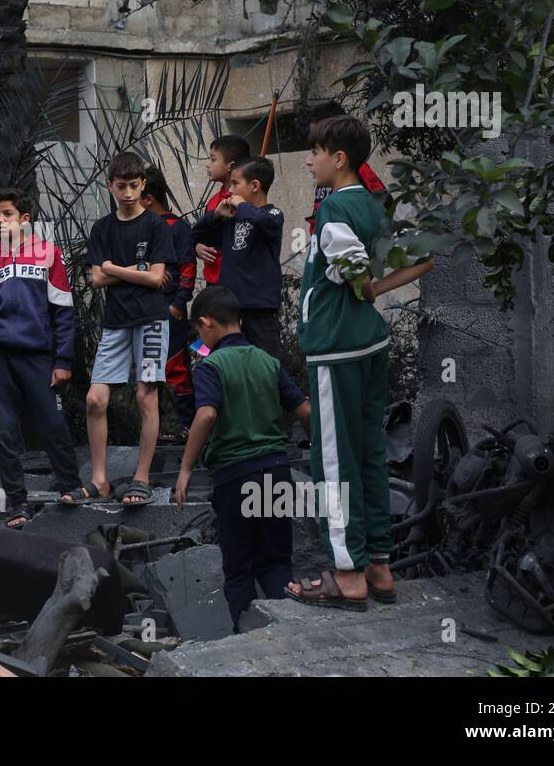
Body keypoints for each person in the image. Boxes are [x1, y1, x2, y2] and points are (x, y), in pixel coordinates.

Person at [286, 114, 432, 608]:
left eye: (315, 152)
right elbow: (423, 257)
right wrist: (374, 290)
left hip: (336, 349)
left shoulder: (332, 214)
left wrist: (368, 288)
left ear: (338, 158)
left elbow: (357, 278)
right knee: (369, 452)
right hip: (370, 344)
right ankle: (379, 567)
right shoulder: (374, 207)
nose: (308, 160)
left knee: (331, 461)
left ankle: (346, 575)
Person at [174, 286, 310, 631]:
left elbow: (205, 416)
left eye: (198, 331)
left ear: (205, 324)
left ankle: (248, 642)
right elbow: (305, 409)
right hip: (276, 472)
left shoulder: (210, 366)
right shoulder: (269, 362)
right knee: (277, 561)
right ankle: (289, 635)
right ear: (241, 320)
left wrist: (186, 468)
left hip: (236, 477)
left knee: (239, 571)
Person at [0, 188, 81, 529]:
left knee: (53, 423)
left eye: (7, 215)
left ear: (24, 219)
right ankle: (17, 502)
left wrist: (63, 361)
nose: (0, 221)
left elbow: (63, 313)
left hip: (39, 358)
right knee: (2, 432)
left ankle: (70, 486)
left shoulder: (49, 255)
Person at [64, 151, 175, 508]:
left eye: (134, 185)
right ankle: (100, 480)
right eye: (121, 186)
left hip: (151, 319)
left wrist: (117, 268)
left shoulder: (156, 225)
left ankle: (141, 478)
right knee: (96, 399)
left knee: (146, 396)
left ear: (143, 185)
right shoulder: (103, 228)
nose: (127, 192)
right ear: (110, 185)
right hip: (116, 321)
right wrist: (136, 270)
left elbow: (158, 278)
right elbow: (97, 279)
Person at [191, 156, 285, 360]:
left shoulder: (273, 214)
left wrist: (241, 205)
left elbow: (262, 220)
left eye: (235, 184)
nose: (230, 190)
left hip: (259, 307)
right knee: (225, 361)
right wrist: (215, 215)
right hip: (229, 309)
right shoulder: (229, 219)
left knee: (264, 364)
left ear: (255, 186)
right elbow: (195, 234)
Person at [141, 166, 196, 432]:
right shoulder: (137, 228)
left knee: (175, 366)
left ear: (148, 198)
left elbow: (187, 268)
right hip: (144, 309)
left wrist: (178, 302)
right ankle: (157, 429)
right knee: (149, 370)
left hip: (170, 309)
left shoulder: (178, 228)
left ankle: (188, 427)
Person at [304, 103, 389, 235]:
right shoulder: (325, 177)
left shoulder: (359, 172)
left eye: (316, 151)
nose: (308, 161)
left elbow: (385, 207)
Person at [194, 134, 251, 287]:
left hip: (237, 282)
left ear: (230, 166)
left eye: (213, 159)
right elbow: (201, 234)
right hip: (212, 282)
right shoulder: (213, 201)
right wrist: (197, 247)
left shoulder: (245, 201)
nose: (208, 164)